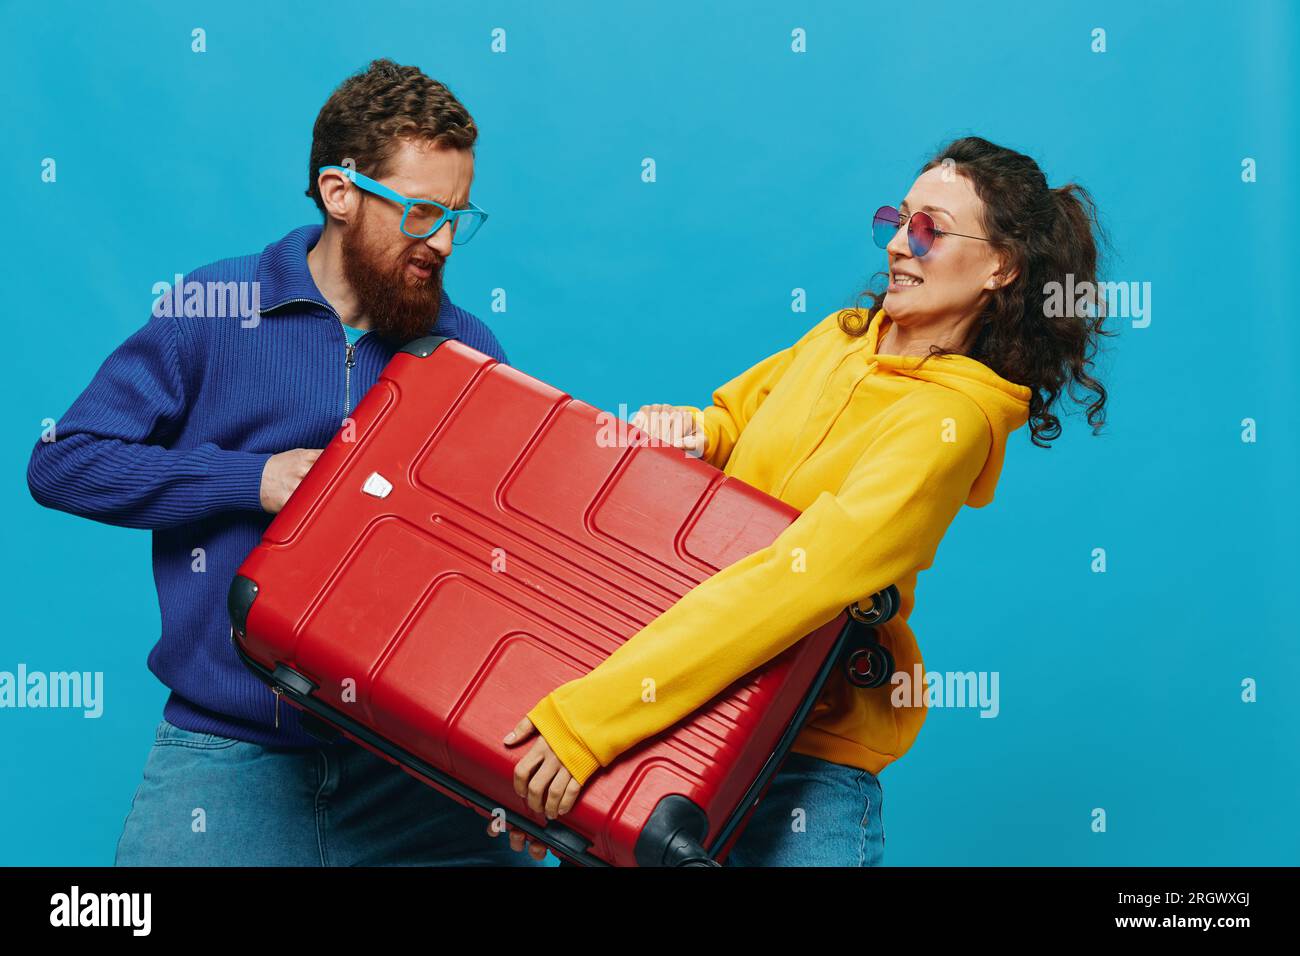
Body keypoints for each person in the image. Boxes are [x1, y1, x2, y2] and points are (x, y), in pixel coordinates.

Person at [492, 136, 1112, 865]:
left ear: (1000, 267)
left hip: (802, 758)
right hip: (690, 707)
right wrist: (696, 432)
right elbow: (738, 422)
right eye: (897, 220)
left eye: (930, 230)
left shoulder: (952, 426)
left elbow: (796, 582)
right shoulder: (843, 337)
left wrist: (590, 721)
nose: (897, 248)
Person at [27, 58, 544, 867]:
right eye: (420, 214)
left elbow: (511, 572)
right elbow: (64, 463)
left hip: (413, 774)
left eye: (458, 216)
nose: (441, 242)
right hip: (227, 755)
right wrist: (250, 479)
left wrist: (507, 767)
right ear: (341, 193)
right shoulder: (212, 306)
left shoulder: (468, 350)